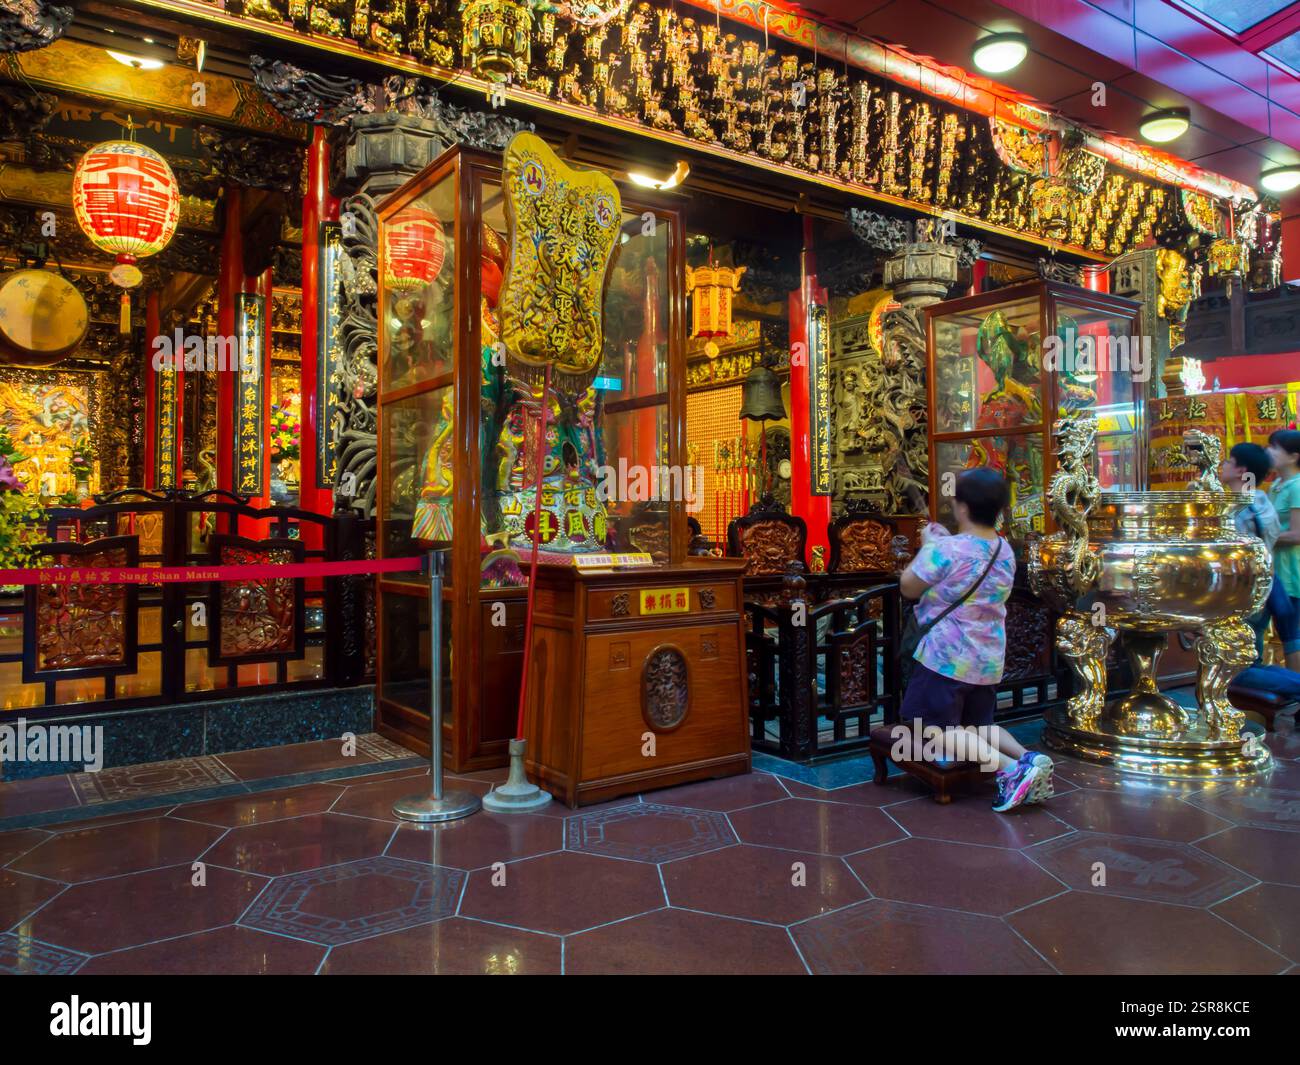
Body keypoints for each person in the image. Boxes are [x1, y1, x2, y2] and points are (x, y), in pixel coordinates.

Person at [898, 467, 1053, 812]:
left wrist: (928, 547)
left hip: (946, 657)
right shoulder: (1005, 550)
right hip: (987, 657)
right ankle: (1031, 759)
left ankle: (1012, 771)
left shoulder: (947, 550)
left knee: (932, 730)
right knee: (979, 726)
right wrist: (939, 544)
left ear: (962, 507)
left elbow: (908, 586)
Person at [1220, 442, 1283, 660]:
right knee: (1251, 651)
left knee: (1236, 662)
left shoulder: (1240, 510)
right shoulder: (1263, 502)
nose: (1223, 464)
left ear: (1241, 470)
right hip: (1259, 591)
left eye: (1228, 460)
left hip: (1238, 594)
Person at [1267, 429, 1300, 672]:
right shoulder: (1277, 485)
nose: (1269, 452)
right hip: (1275, 568)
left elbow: (1297, 534)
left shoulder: (1296, 487)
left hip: (1292, 571)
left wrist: (1264, 536)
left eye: (1274, 448)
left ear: (1293, 457)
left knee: (1292, 636)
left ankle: (1294, 693)